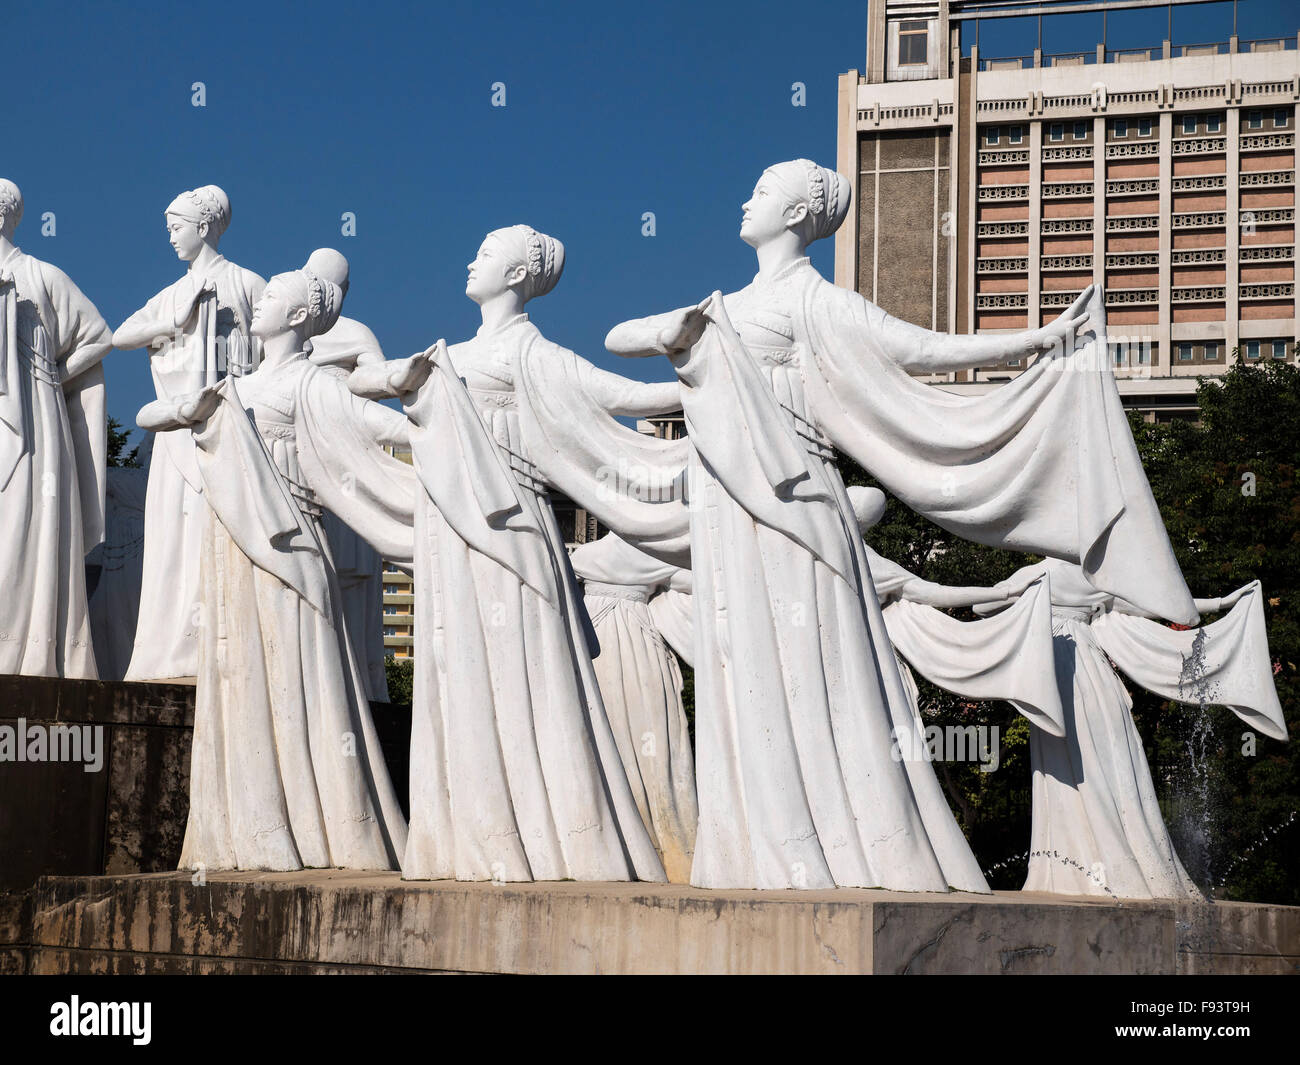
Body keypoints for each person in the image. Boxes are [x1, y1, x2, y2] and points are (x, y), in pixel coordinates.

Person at [605, 159, 1197, 890]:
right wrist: (677, 327)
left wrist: (1034, 343)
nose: (742, 200)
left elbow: (921, 347)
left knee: (812, 658)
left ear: (795, 216)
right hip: (729, 514)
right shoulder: (722, 307)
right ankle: (755, 844)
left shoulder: (817, 304)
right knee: (742, 662)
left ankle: (843, 840)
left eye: (759, 192)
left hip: (796, 511)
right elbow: (618, 337)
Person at [349, 225, 684, 882]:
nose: (470, 261)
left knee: (526, 670)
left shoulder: (537, 356)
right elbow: (361, 386)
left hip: (511, 535)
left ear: (514, 274)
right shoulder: (446, 356)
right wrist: (398, 374)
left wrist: (704, 371)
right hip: (450, 536)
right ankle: (464, 833)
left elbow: (625, 397)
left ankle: (552, 833)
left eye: (484, 254)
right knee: (459, 666)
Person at [138, 263, 415, 871]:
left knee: (301, 681)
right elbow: (148, 418)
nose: (256, 304)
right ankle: (249, 826)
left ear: (295, 317)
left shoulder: (313, 386)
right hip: (233, 551)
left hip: (290, 552)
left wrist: (429, 422)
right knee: (239, 678)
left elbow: (380, 424)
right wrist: (194, 406)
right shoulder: (236, 387)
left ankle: (316, 826)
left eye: (271, 299)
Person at [974, 558, 1285, 898]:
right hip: (1089, 670)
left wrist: (1025, 597)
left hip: (1057, 671)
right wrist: (1220, 603)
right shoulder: (1092, 577)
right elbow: (1157, 606)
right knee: (1108, 758)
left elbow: (983, 605)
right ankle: (1108, 858)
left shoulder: (1040, 573)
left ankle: (1078, 867)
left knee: (1076, 765)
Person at [113, 185, 266, 681]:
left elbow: (274, 351)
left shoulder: (247, 284)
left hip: (231, 433)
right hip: (175, 434)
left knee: (219, 534)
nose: (171, 238)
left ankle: (223, 652)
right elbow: (121, 335)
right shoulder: (171, 294)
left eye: (176, 228)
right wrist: (176, 320)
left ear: (203, 228)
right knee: (172, 541)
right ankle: (170, 649)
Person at [0, 178, 112, 678]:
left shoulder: (41, 275)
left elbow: (98, 336)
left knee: (26, 527)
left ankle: (31, 649)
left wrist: (50, 376)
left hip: (38, 425)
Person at [571, 532, 698, 883]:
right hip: (631, 642)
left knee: (625, 735)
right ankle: (664, 847)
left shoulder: (586, 556)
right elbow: (697, 580)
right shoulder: (655, 554)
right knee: (649, 737)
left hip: (600, 637)